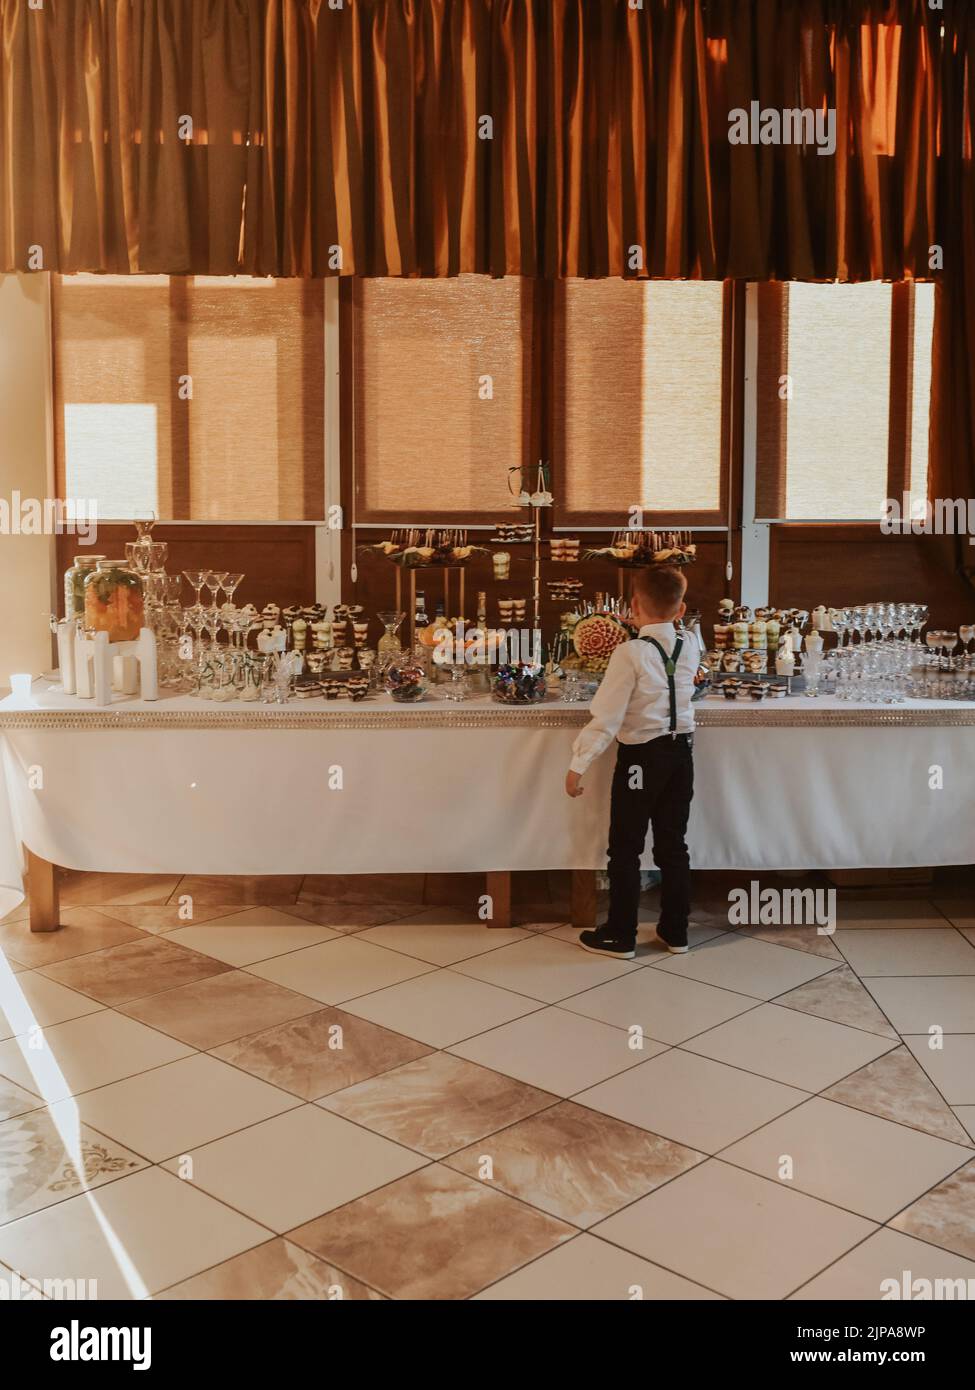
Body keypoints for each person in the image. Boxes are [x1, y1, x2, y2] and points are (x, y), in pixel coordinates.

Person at [565, 567, 704, 959]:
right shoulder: (690, 644)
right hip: (681, 754)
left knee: (625, 847)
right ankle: (676, 931)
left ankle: (621, 934)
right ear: (682, 609)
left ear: (632, 606)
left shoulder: (630, 653)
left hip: (642, 759)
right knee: (673, 846)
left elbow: (607, 715)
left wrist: (580, 762)